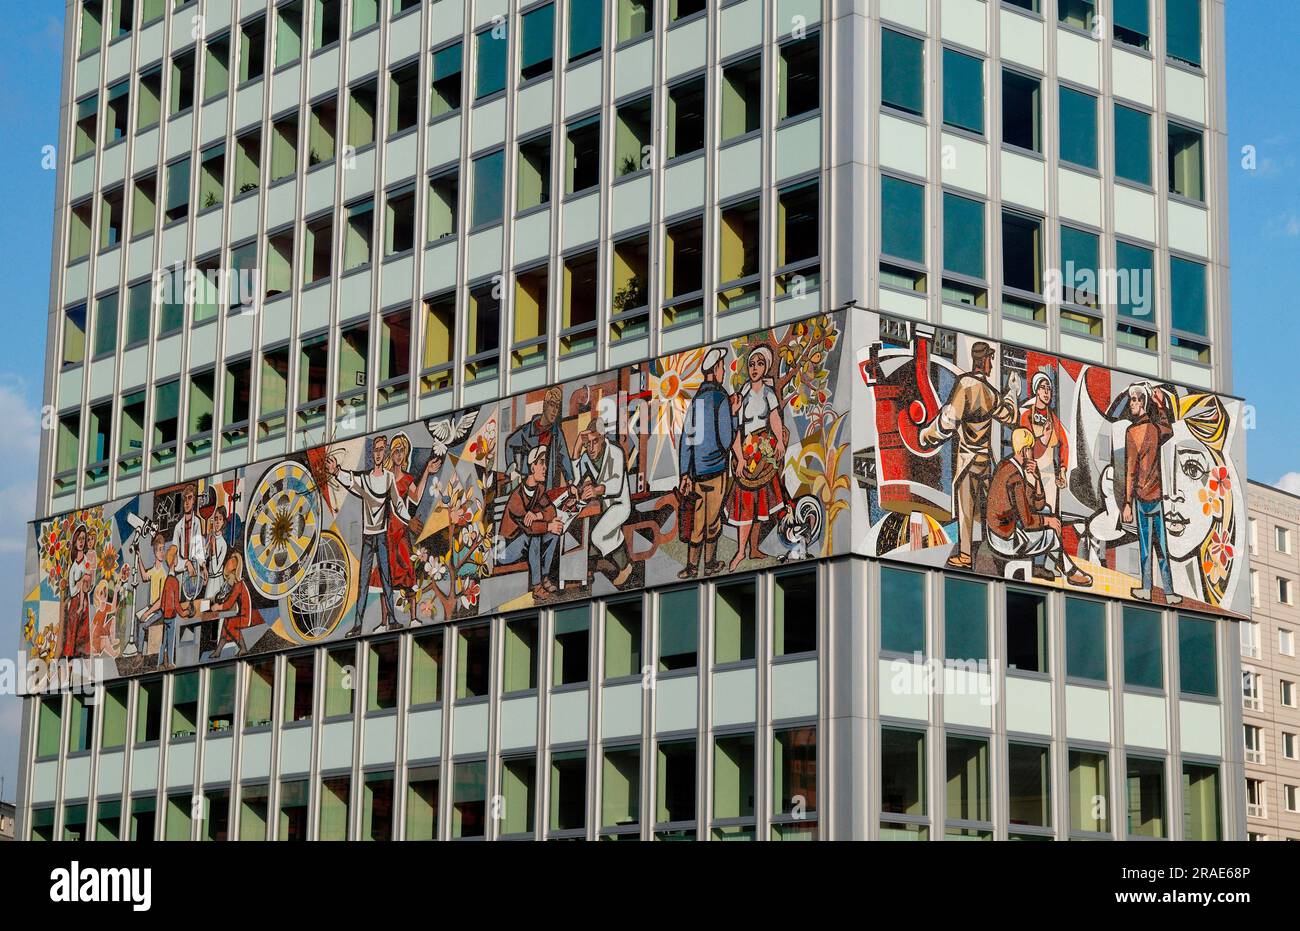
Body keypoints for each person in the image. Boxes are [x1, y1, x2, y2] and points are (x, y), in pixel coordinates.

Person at [919, 341, 1021, 570]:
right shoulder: (991, 393)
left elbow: (947, 422)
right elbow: (1010, 415)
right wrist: (1013, 392)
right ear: (985, 360)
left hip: (968, 460)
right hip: (985, 462)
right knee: (990, 510)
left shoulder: (965, 385)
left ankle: (966, 555)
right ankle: (996, 553)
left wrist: (926, 435)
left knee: (967, 511)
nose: (992, 364)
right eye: (991, 360)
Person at [326, 434, 416, 636]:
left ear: (385, 453)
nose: (378, 453)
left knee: (387, 580)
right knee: (363, 582)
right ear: (372, 453)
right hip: (368, 537)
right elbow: (349, 478)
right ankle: (358, 626)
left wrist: (408, 520)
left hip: (382, 536)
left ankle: (393, 620)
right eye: (375, 449)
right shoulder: (365, 478)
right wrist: (335, 471)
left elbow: (398, 503)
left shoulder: (389, 478)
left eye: (381, 449)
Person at [985, 428, 1093, 587]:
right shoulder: (1015, 477)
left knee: (1047, 511)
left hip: (999, 530)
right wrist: (1048, 522)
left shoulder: (1007, 465)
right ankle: (1070, 572)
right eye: (1030, 449)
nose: (1033, 453)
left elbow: (1039, 504)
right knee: (1052, 535)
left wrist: (1036, 478)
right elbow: (1028, 521)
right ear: (1024, 451)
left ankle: (1052, 565)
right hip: (1005, 540)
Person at [727, 345, 788, 571]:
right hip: (746, 450)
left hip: (763, 450)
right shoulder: (741, 395)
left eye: (760, 364)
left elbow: (774, 418)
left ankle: (753, 548)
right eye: (752, 364)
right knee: (745, 505)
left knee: (760, 503)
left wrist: (780, 442)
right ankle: (740, 552)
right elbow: (736, 428)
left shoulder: (768, 393)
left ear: (765, 368)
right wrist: (740, 457)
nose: (755, 368)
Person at [1120, 383, 1182, 605]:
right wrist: (1161, 404)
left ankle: (1148, 589)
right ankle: (1169, 592)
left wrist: (1127, 502)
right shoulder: (1156, 428)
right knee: (1161, 546)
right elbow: (1169, 428)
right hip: (1155, 495)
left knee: (1148, 546)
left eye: (1136, 400)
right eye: (1132, 400)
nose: (1132, 403)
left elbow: (1130, 470)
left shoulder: (1133, 432)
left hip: (1143, 497)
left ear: (1142, 402)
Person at [369, 432, 439, 626]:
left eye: (402, 451)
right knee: (384, 576)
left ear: (405, 454)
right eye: (395, 451)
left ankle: (414, 618)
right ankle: (383, 622)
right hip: (386, 530)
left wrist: (426, 472)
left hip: (401, 532)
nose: (398, 454)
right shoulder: (385, 478)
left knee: (407, 571)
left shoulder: (407, 479)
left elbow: (415, 498)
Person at [677, 346, 735, 579]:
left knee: (697, 522)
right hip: (717, 471)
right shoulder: (721, 399)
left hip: (696, 473)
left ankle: (691, 567)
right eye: (722, 367)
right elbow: (727, 439)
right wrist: (734, 414)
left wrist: (684, 473)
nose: (723, 372)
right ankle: (709, 564)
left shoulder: (696, 402)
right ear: (716, 369)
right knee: (713, 522)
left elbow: (686, 441)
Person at [498, 446, 564, 600]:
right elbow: (529, 529)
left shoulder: (539, 490)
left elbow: (551, 511)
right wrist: (547, 525)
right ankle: (536, 586)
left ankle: (545, 576)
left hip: (523, 543)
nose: (545, 467)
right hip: (505, 549)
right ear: (532, 466)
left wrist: (537, 515)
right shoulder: (517, 497)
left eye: (545, 463)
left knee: (553, 534)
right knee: (534, 536)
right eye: (541, 463)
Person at [576, 420, 633, 587]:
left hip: (620, 504)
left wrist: (596, 490)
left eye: (595, 442)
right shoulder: (586, 456)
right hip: (602, 506)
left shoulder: (615, 452)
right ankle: (590, 568)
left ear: (603, 438)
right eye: (588, 443)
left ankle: (625, 566)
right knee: (582, 526)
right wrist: (576, 449)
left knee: (598, 535)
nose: (591, 448)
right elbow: (577, 478)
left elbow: (616, 484)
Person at [504, 385, 574, 490]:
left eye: (557, 406)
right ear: (545, 405)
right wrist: (513, 469)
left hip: (547, 484)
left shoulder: (557, 433)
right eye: (552, 405)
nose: (554, 410)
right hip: (527, 484)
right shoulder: (527, 430)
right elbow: (510, 443)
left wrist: (570, 482)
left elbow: (565, 458)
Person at [1018, 371, 1069, 513]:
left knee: (1050, 512)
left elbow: (1064, 444)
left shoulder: (1053, 419)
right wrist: (1044, 438)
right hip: (1031, 473)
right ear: (1036, 391)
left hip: (1049, 475)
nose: (1047, 391)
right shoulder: (1027, 416)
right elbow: (1027, 447)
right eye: (1042, 387)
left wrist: (1063, 470)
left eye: (1049, 388)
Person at [142, 545, 195, 669]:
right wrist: (184, 613)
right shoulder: (174, 581)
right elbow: (176, 602)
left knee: (163, 641)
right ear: (174, 561)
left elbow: (164, 601)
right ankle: (170, 662)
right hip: (171, 616)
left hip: (166, 615)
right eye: (176, 558)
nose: (177, 560)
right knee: (170, 641)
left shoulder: (167, 580)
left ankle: (161, 662)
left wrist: (165, 611)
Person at [206, 552, 264, 658]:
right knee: (225, 624)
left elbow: (229, 604)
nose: (227, 579)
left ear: (234, 572)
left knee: (230, 625)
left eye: (228, 576)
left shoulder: (238, 586)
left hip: (244, 617)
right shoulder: (235, 585)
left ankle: (243, 648)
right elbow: (227, 599)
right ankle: (218, 651)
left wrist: (218, 607)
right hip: (238, 614)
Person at [171, 484, 206, 586]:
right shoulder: (178, 527)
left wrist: (203, 566)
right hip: (181, 573)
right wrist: (186, 563)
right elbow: (175, 557)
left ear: (194, 501)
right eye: (185, 499)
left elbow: (199, 550)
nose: (186, 502)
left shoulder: (197, 523)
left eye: (189, 498)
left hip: (194, 572)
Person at [202, 507, 229, 599]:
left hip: (217, 581)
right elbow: (203, 556)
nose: (217, 522)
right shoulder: (211, 537)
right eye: (216, 519)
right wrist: (204, 567)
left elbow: (215, 569)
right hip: (209, 581)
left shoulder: (223, 544)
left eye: (220, 519)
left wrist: (213, 547)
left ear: (223, 522)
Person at [90, 579, 121, 658]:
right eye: (101, 593)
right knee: (105, 638)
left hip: (105, 636)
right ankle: (113, 654)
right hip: (97, 640)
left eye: (105, 593)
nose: (103, 595)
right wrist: (90, 644)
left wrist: (115, 592)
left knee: (112, 617)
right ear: (97, 595)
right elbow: (91, 629)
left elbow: (113, 608)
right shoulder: (98, 613)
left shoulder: (108, 606)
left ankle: (112, 639)